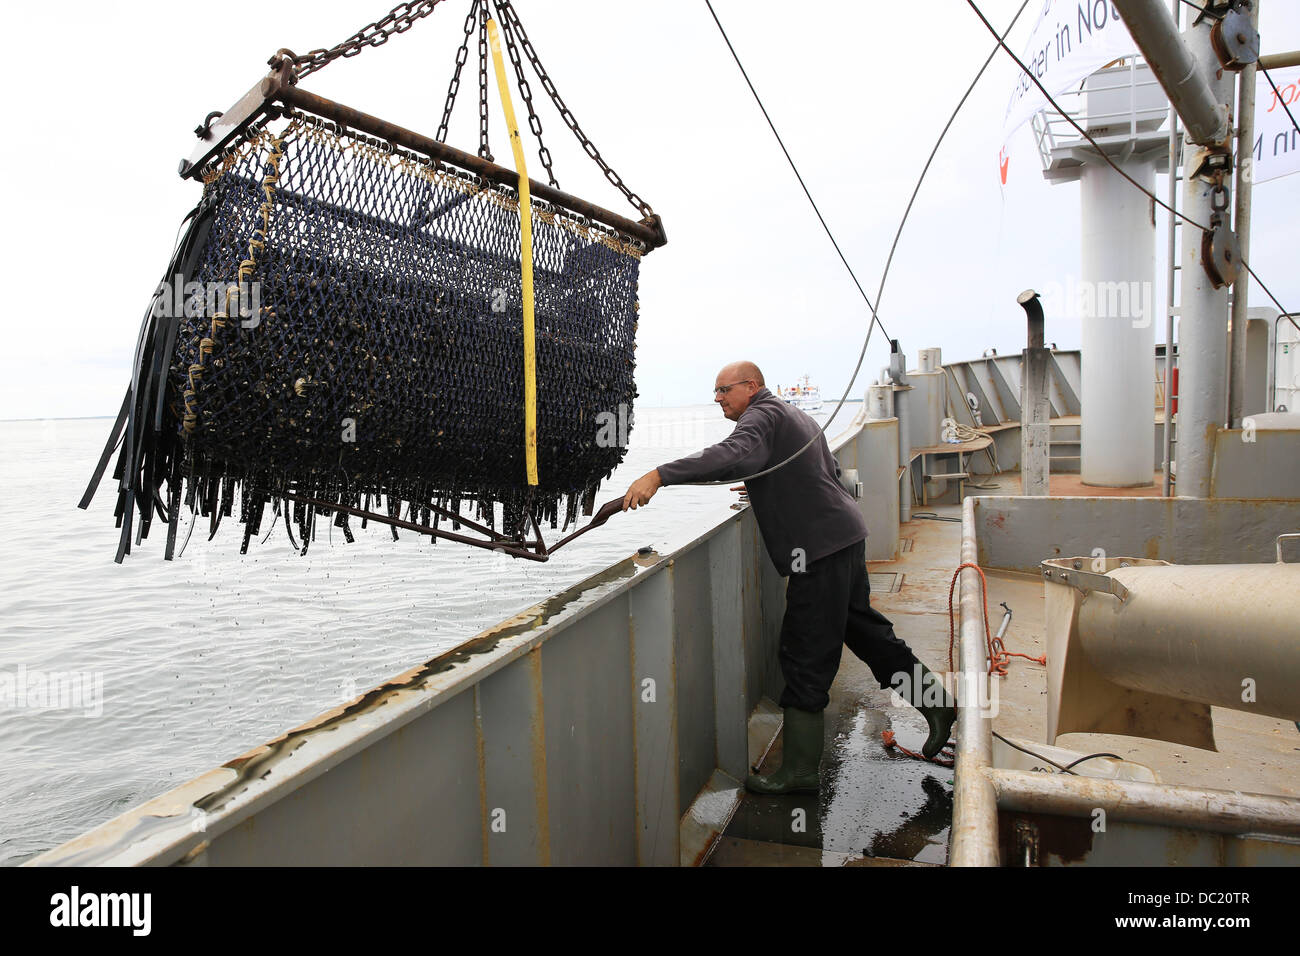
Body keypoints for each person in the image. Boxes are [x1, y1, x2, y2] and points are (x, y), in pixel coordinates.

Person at [622, 361, 956, 794]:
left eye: (724, 390)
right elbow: (824, 472)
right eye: (716, 392)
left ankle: (799, 774)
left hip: (818, 553)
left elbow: (734, 454)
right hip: (844, 539)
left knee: (804, 655)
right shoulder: (792, 414)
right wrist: (770, 484)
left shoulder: (761, 415)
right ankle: (939, 705)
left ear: (752, 386)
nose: (719, 398)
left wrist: (660, 474)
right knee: (869, 634)